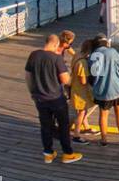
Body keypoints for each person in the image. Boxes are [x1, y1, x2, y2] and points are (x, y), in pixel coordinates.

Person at [27, 32, 80, 164]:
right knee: (63, 125)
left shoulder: (33, 55)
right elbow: (65, 80)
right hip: (56, 98)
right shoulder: (56, 58)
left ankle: (48, 153)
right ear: (56, 44)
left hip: (39, 98)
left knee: (45, 125)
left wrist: (32, 92)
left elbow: (28, 77)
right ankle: (67, 153)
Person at [84, 33, 119, 148]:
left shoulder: (93, 55)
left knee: (103, 115)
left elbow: (93, 74)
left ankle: (104, 140)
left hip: (102, 91)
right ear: (106, 43)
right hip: (117, 89)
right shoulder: (112, 52)